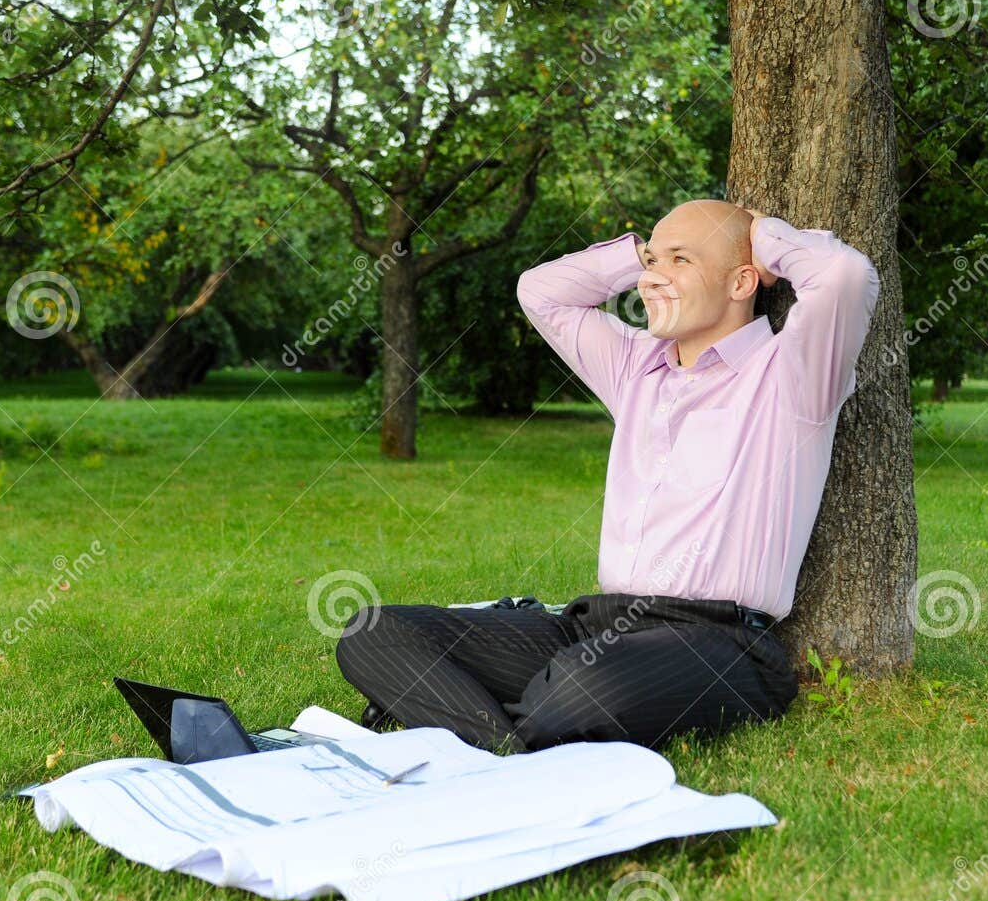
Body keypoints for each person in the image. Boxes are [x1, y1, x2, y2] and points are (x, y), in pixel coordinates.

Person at [335, 198, 879, 754]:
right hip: (593, 628)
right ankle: (507, 752)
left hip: (718, 644)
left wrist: (761, 236)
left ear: (742, 282)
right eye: (652, 263)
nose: (653, 279)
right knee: (373, 633)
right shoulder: (633, 365)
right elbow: (540, 292)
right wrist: (640, 253)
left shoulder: (793, 375)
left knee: (576, 691)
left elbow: (844, 275)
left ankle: (486, 733)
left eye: (680, 262)